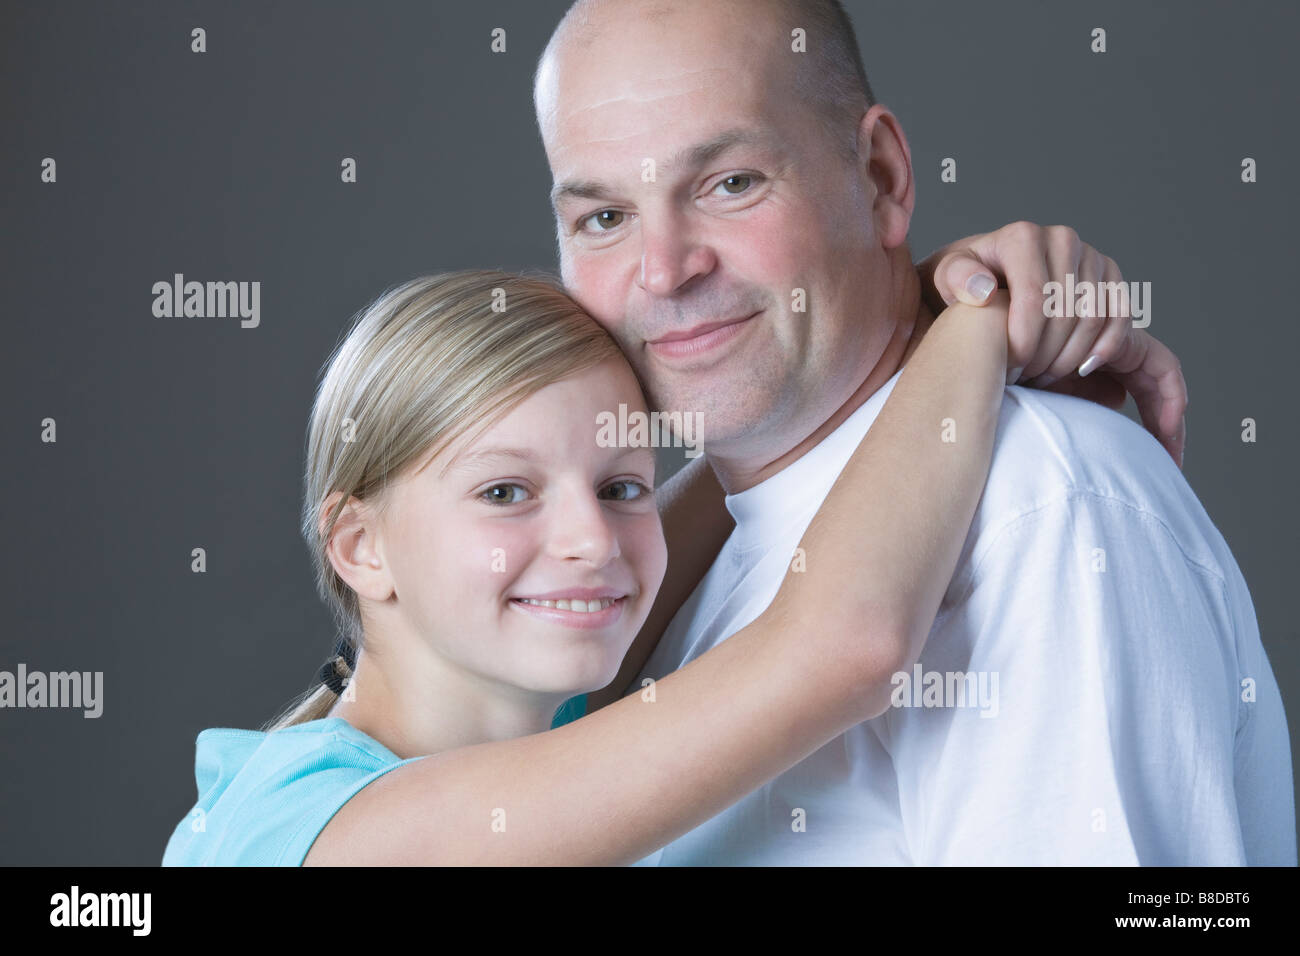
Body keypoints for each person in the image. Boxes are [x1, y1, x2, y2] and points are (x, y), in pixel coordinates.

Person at [534, 0, 1295, 864]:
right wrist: (961, 309)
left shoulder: (1037, 508)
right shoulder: (653, 576)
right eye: (604, 217)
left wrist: (961, 315)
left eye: (730, 183)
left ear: (882, 176)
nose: (665, 270)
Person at [163, 266, 1066, 865]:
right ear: (363, 547)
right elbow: (841, 647)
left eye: (623, 486)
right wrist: (982, 318)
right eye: (505, 493)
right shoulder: (316, 836)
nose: (590, 540)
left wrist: (899, 310)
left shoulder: (544, 716)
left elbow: (738, 478)